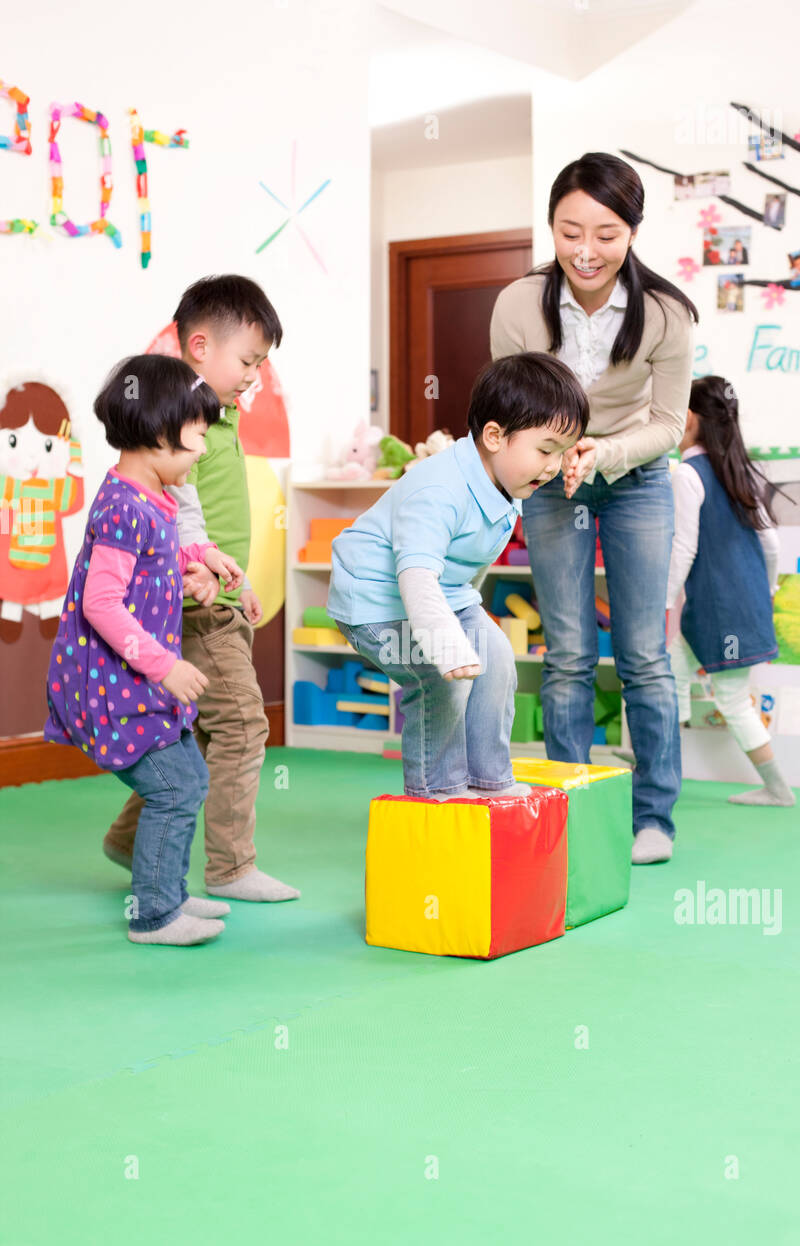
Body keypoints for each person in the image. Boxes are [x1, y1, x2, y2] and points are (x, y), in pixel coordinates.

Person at [490, 152, 697, 864]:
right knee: (571, 654)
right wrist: (548, 460)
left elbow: (669, 425)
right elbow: (508, 405)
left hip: (636, 475)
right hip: (553, 480)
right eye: (569, 230)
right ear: (551, 227)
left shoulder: (667, 313)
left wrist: (602, 454)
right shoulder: (518, 305)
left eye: (605, 232)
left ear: (632, 231)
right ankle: (568, 807)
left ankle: (654, 821)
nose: (585, 250)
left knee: (644, 655)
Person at [102, 275, 300, 903]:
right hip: (194, 609)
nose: (254, 376)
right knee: (242, 724)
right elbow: (175, 514)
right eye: (247, 361)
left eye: (262, 364)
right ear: (197, 346)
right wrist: (200, 578)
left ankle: (133, 838)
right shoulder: (176, 424)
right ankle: (231, 867)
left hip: (217, 597)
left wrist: (233, 579)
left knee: (201, 733)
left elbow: (206, 520)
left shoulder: (220, 414)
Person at [44, 355, 247, 944]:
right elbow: (101, 605)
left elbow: (145, 568)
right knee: (176, 785)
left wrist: (191, 566)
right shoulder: (123, 507)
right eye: (198, 437)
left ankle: (171, 893)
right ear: (160, 433)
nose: (204, 450)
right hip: (112, 686)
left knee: (187, 777)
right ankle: (155, 913)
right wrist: (168, 664)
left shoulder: (152, 496)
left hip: (136, 682)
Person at [327, 353, 587, 800]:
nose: (552, 466)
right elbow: (417, 577)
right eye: (546, 450)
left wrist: (469, 625)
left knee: (498, 657)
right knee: (437, 677)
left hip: (442, 596)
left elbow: (471, 569)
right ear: (493, 436)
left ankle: (488, 780)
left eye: (562, 453)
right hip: (374, 600)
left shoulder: (508, 483)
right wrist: (446, 643)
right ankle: (438, 793)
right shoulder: (439, 489)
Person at [666, 375, 794, 808]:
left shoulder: (688, 473)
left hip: (719, 610)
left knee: (732, 699)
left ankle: (777, 788)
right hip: (744, 604)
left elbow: (683, 547)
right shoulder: (738, 471)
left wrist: (661, 602)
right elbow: (771, 543)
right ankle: (662, 758)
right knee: (673, 668)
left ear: (689, 420)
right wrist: (769, 589)